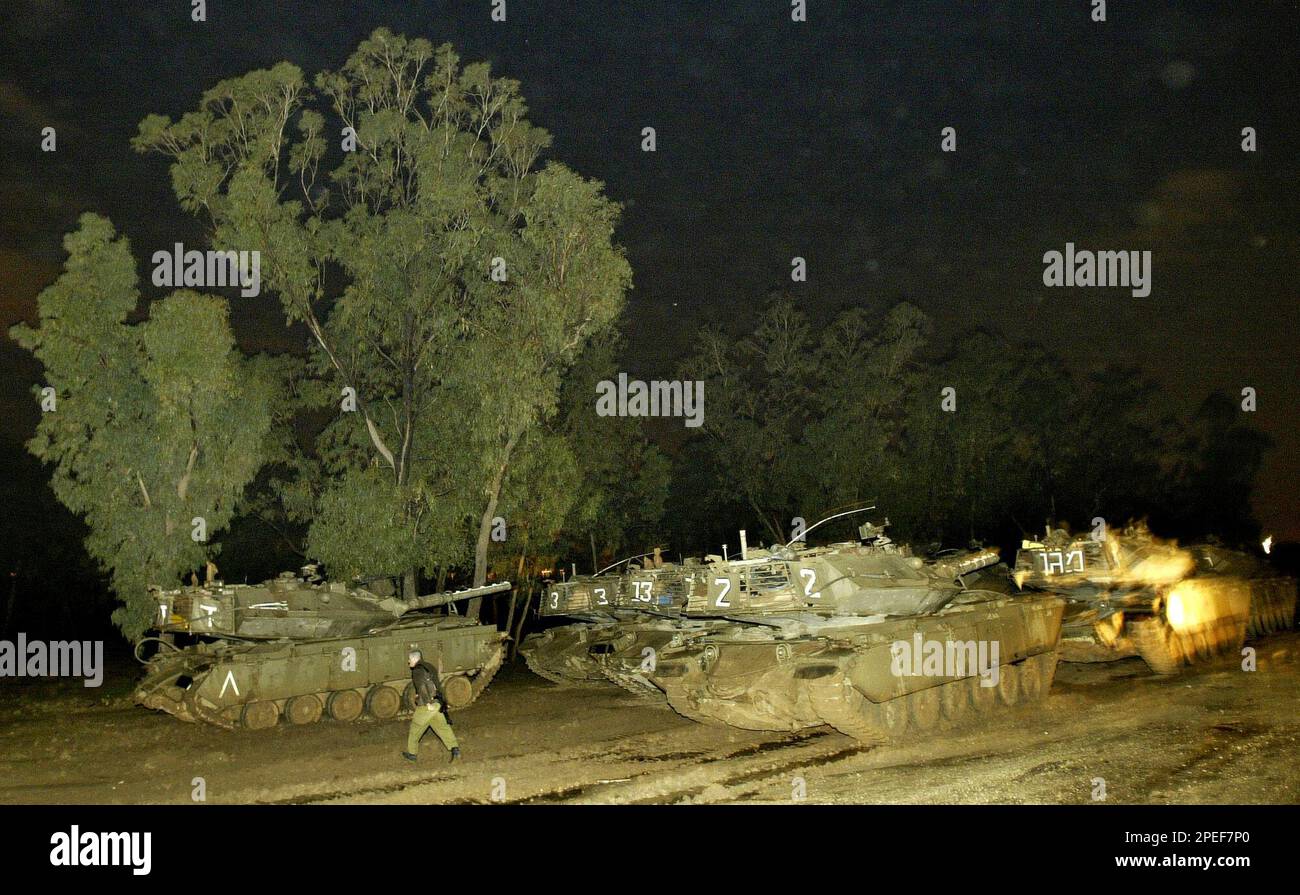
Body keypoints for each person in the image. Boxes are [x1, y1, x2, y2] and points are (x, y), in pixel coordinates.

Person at [401, 649, 461, 764]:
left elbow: (422, 686)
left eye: (409, 659)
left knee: (415, 728)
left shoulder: (417, 670)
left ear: (414, 659)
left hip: (427, 705)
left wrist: (427, 703)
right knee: (442, 727)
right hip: (437, 702)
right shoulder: (429, 666)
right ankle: (455, 750)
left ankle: (412, 754)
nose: (408, 662)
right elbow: (434, 684)